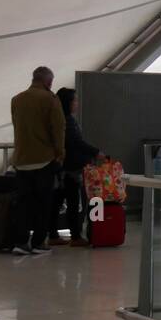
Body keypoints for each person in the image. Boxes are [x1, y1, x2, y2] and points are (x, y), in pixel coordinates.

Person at [9, 66, 65, 254]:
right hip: (43, 159)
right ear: (48, 82)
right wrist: (60, 154)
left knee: (23, 203)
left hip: (21, 160)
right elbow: (58, 130)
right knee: (43, 203)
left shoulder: (16, 99)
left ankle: (20, 240)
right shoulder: (50, 99)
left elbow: (17, 126)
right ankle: (39, 242)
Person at [49, 88, 101, 247]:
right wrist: (96, 152)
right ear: (68, 103)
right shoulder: (68, 121)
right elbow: (76, 143)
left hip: (61, 168)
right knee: (73, 202)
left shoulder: (58, 119)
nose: (77, 104)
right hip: (71, 168)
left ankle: (52, 234)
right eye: (75, 100)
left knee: (57, 201)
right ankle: (76, 236)